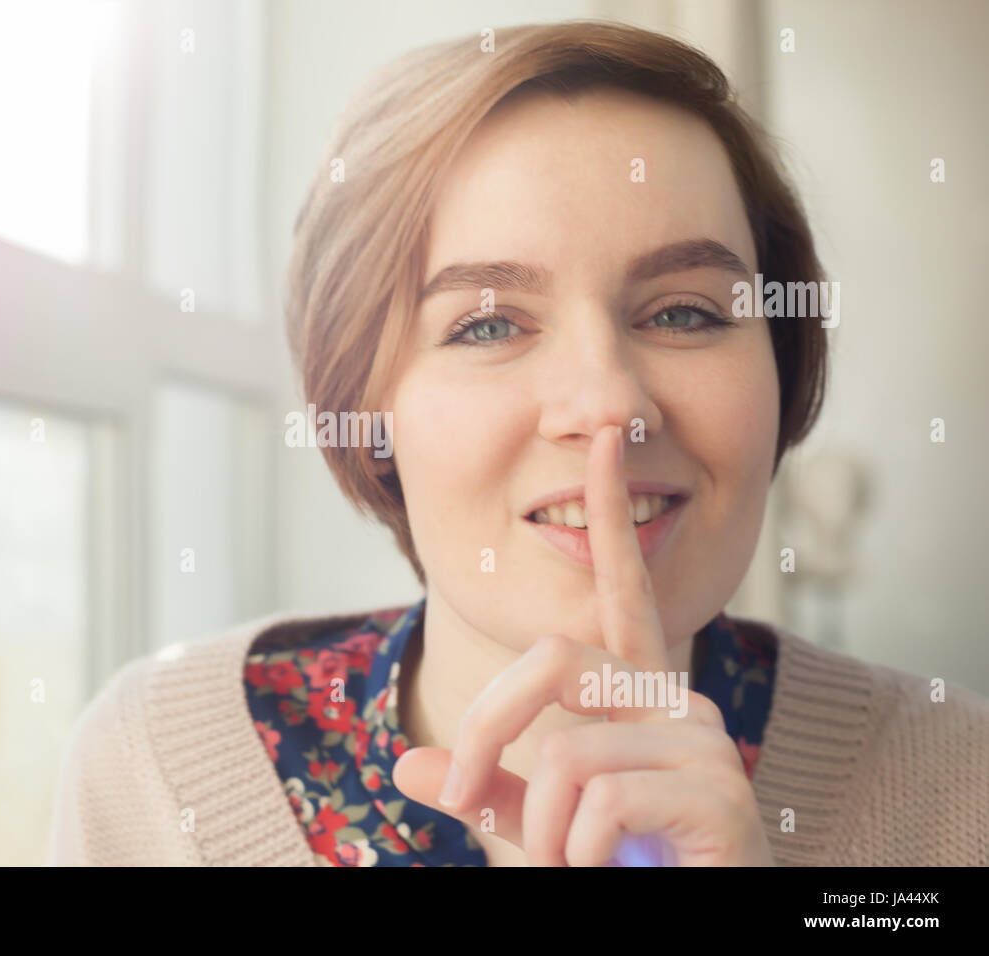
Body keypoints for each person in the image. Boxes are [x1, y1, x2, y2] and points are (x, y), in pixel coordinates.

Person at [48, 21, 989, 866]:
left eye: (686, 312)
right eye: (489, 325)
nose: (608, 404)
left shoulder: (958, 792)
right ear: (364, 406)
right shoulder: (156, 771)